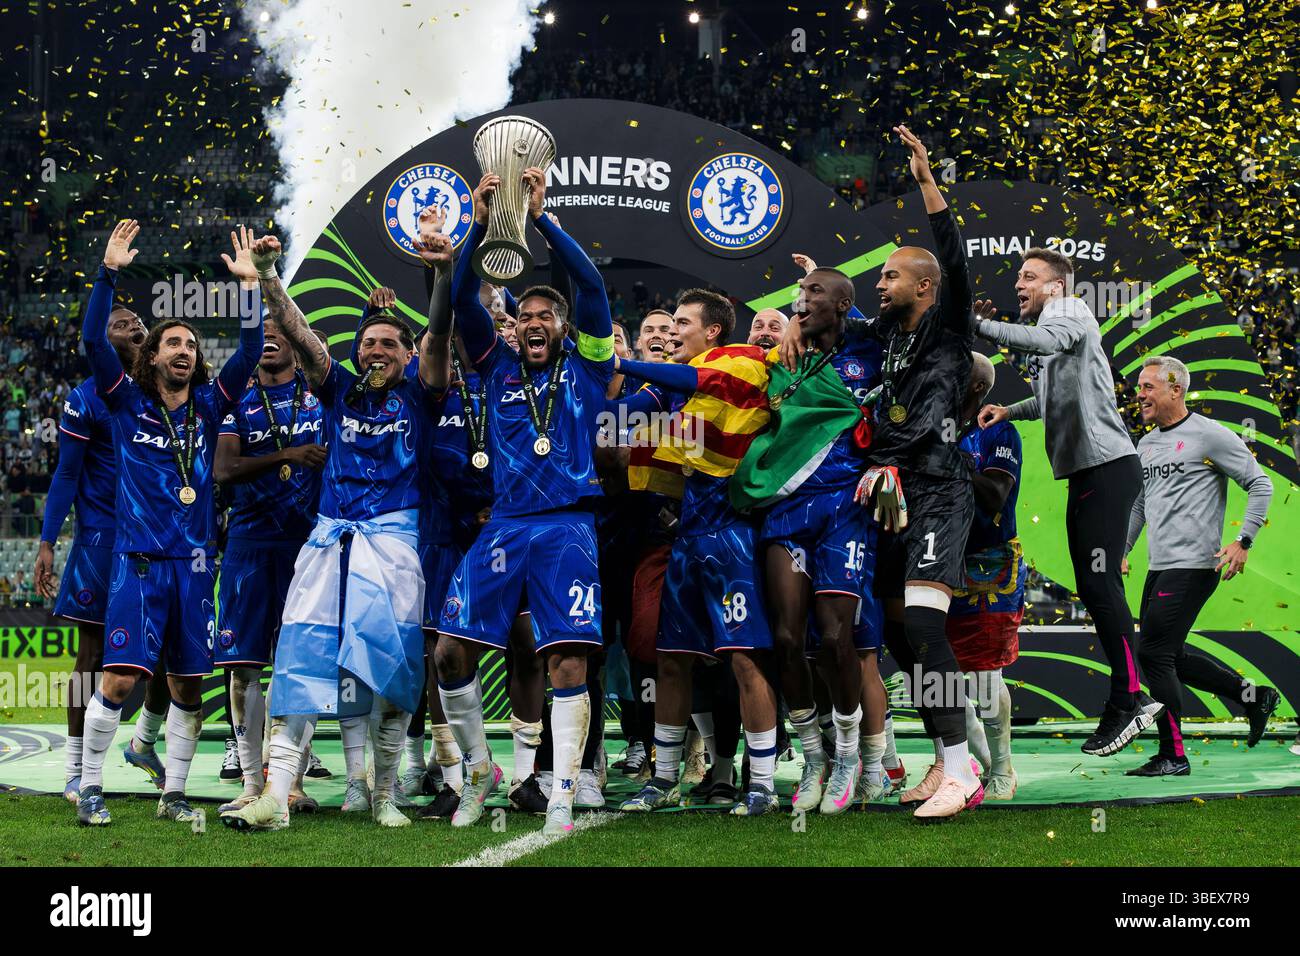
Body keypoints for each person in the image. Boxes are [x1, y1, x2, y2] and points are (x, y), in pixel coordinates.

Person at [781, 125, 981, 818]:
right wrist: (815, 289)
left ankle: (963, 771)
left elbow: (951, 257)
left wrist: (929, 185)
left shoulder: (946, 326)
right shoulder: (886, 337)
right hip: (891, 495)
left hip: (937, 489)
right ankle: (945, 755)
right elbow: (840, 320)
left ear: (925, 286)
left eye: (892, 274)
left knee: (925, 630)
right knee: (902, 636)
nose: (881, 281)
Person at [221, 223, 447, 832]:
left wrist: (442, 275)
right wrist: (268, 280)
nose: (375, 350)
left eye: (387, 344)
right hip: (327, 541)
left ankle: (385, 793)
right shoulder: (340, 389)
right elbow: (301, 335)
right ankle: (276, 794)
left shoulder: (423, 398)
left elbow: (442, 335)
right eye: (367, 342)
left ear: (408, 355)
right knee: (298, 659)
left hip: (395, 543)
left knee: (392, 671)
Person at [435, 168, 614, 835]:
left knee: (565, 657)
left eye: (548, 316)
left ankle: (561, 791)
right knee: (450, 653)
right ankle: (479, 771)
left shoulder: (589, 366)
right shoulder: (496, 367)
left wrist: (542, 219)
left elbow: (591, 286)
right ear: (514, 328)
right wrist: (480, 225)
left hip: (568, 527)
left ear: (564, 328)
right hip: (504, 526)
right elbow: (459, 305)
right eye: (527, 316)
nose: (536, 323)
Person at [75, 219, 264, 827]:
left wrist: (249, 287)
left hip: (194, 564)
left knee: (187, 687)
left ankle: (174, 794)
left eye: (190, 345)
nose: (184, 351)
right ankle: (92, 787)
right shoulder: (126, 402)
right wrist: (107, 273)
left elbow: (253, 351)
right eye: (172, 344)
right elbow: (94, 342)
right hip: (138, 562)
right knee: (124, 677)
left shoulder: (209, 408)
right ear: (152, 357)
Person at [975, 251, 1160, 758]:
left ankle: (1129, 698)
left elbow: (1046, 340)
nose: (1020, 283)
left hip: (1105, 468)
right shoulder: (1056, 333)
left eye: (1029, 277)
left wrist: (980, 325)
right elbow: (1049, 400)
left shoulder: (1068, 311)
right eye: (1018, 276)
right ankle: (1130, 696)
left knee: (1099, 584)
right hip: (1093, 472)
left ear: (1056, 287)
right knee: (1096, 585)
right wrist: (1008, 409)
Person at [612, 290, 783, 816]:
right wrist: (604, 387)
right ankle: (663, 778)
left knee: (742, 659)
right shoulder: (671, 391)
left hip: (731, 534)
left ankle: (762, 783)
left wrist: (624, 360)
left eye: (681, 323)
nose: (669, 333)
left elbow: (696, 381)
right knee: (671, 660)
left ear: (712, 331)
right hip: (686, 534)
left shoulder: (742, 361)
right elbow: (617, 417)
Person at [34, 302, 173, 802]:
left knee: (165, 651)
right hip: (101, 543)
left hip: (157, 539)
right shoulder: (86, 397)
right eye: (121, 324)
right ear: (102, 342)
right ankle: (76, 769)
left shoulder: (164, 394)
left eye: (138, 322)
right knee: (91, 655)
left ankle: (144, 741)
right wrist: (48, 541)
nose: (134, 326)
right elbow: (67, 474)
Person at [1121, 355, 1279, 774]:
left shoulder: (1210, 436)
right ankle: (1252, 697)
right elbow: (1139, 502)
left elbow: (1261, 484)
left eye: (1148, 387)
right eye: (1139, 387)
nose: (1140, 395)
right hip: (1160, 566)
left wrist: (1243, 541)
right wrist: (1123, 547)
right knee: (1165, 652)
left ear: (1176, 390)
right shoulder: (1147, 443)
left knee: (1153, 654)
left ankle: (1173, 755)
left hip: (1194, 566)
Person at [211, 310, 327, 816]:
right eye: (263, 335)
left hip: (307, 545)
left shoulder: (319, 398)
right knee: (244, 669)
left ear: (298, 346)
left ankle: (293, 780)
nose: (272, 340)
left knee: (298, 665)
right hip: (249, 542)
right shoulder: (235, 400)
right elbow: (224, 469)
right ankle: (251, 778)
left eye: (281, 334)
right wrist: (290, 455)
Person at [948, 353, 1021, 799]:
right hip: (935, 558)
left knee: (984, 672)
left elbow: (994, 495)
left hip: (988, 562)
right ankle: (983, 764)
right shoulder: (930, 424)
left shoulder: (997, 429)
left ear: (974, 386)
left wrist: (948, 458)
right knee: (939, 672)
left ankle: (1003, 769)